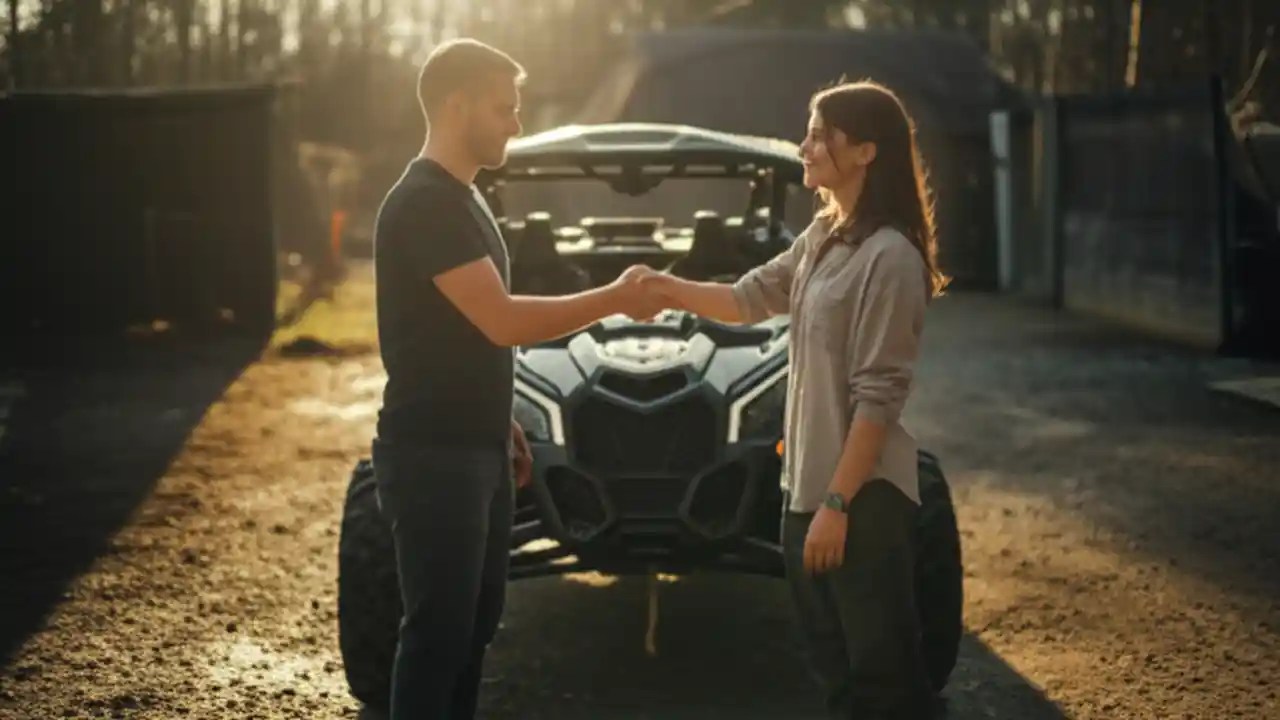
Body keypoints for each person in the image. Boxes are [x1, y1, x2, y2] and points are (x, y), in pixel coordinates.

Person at [633, 80, 949, 719]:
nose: (804, 146)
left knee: (885, 683)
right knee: (836, 674)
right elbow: (747, 298)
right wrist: (665, 287)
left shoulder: (891, 258)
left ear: (865, 152)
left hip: (860, 499)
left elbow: (878, 397)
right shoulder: (823, 236)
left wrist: (838, 503)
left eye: (819, 134)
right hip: (804, 495)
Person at [371, 39, 661, 720]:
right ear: (457, 103)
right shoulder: (423, 203)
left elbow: (456, 337)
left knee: (472, 630)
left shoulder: (462, 199)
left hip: (476, 449)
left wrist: (499, 422)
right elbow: (499, 320)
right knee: (438, 635)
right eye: (505, 108)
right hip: (433, 458)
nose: (516, 124)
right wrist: (614, 299)